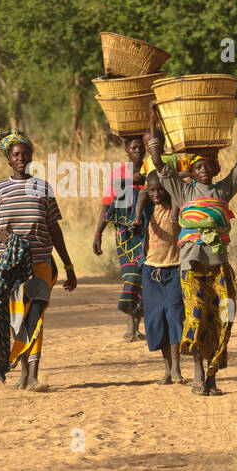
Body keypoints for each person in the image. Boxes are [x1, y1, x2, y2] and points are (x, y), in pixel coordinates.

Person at [145, 98, 237, 396]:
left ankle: (213, 376)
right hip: (191, 265)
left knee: (223, 317)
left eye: (208, 165)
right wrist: (153, 117)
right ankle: (197, 374)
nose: (204, 169)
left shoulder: (224, 189)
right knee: (195, 318)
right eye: (199, 165)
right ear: (192, 171)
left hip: (218, 263)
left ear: (216, 168)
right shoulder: (182, 190)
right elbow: (157, 160)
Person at [0, 129, 78, 391]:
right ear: (9, 160)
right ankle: (22, 372)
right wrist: (0, 233)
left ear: (31, 157)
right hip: (11, 267)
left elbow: (54, 229)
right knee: (17, 319)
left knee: (35, 314)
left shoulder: (42, 188)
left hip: (41, 261)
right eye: (16, 155)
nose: (21, 158)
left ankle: (33, 375)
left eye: (25, 154)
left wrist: (68, 265)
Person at [93, 135, 148, 341]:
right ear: (126, 149)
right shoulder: (119, 173)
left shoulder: (151, 170)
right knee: (131, 278)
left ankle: (136, 327)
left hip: (147, 234)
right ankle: (130, 324)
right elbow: (107, 205)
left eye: (141, 147)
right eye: (134, 147)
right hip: (124, 235)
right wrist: (98, 233)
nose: (138, 151)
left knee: (144, 280)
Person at [133, 170, 185, 383]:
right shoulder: (146, 210)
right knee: (156, 320)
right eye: (152, 189)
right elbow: (142, 195)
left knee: (174, 317)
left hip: (174, 269)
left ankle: (177, 369)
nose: (155, 193)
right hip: (151, 271)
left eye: (160, 189)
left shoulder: (177, 206)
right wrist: (137, 216)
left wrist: (172, 181)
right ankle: (167, 369)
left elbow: (184, 182)